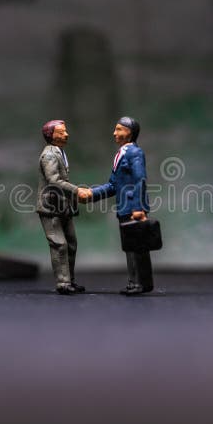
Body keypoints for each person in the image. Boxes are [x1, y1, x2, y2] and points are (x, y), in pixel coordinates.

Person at [78, 117, 154, 295]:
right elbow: (113, 185)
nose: (115, 133)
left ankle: (140, 283)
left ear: (130, 132)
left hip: (132, 208)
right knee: (130, 247)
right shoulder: (121, 154)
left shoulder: (134, 153)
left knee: (138, 248)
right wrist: (92, 194)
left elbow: (140, 180)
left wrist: (138, 208)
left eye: (119, 129)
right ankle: (135, 281)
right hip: (124, 207)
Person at [37, 120, 84, 295]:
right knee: (59, 245)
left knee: (71, 244)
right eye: (62, 132)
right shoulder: (49, 155)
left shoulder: (59, 152)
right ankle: (63, 283)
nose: (66, 134)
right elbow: (54, 180)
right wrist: (77, 191)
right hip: (51, 208)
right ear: (51, 135)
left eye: (66, 131)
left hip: (63, 207)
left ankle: (70, 280)